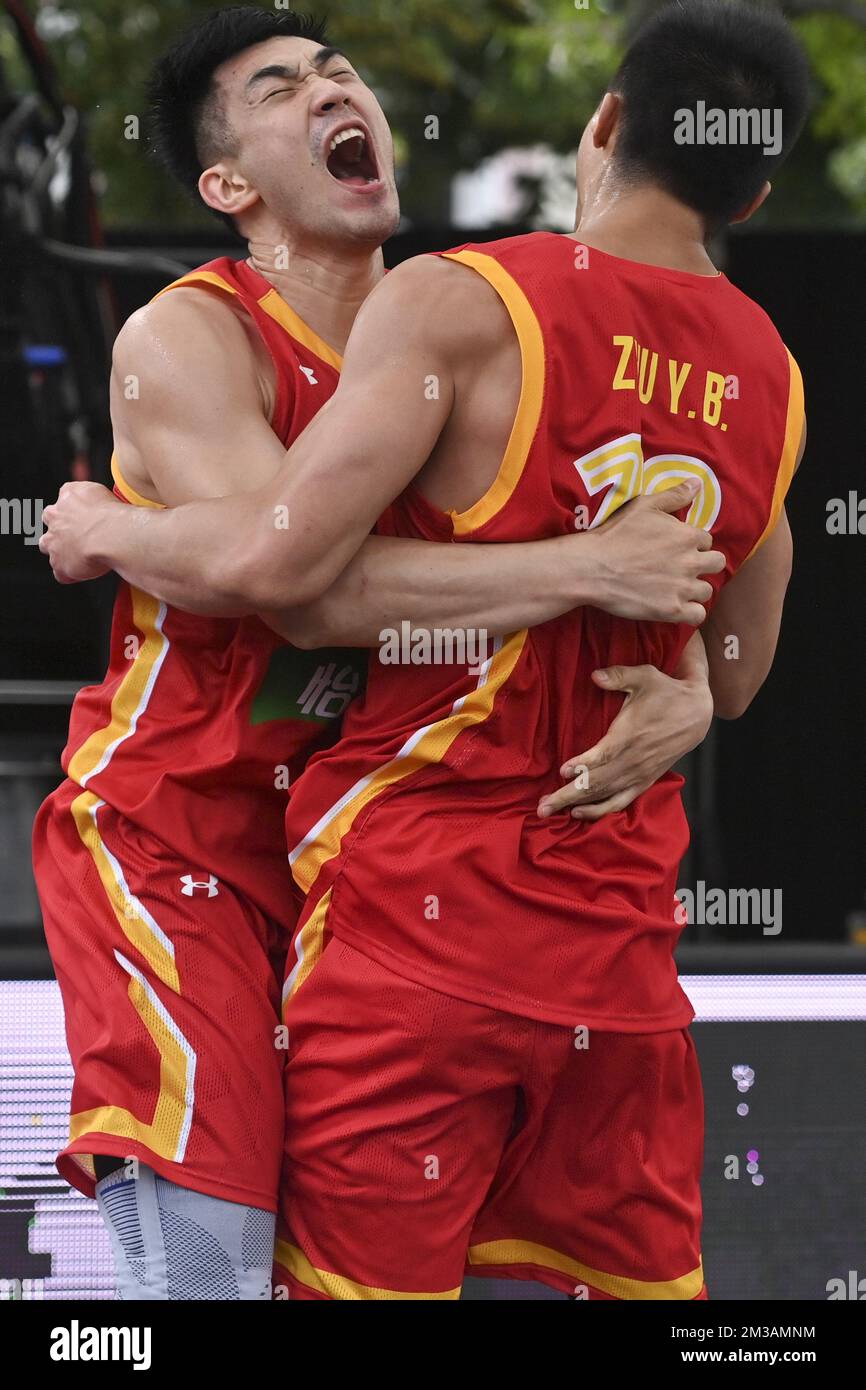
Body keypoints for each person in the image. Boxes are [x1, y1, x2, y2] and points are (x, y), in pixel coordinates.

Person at [34, 6, 719, 1301]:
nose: (331, 89)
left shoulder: (460, 331)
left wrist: (686, 678)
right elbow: (295, 581)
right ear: (228, 185)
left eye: (338, 73)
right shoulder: (190, 336)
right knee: (205, 1285)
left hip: (367, 863)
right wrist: (582, 567)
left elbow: (660, 540)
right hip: (183, 840)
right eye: (283, 86)